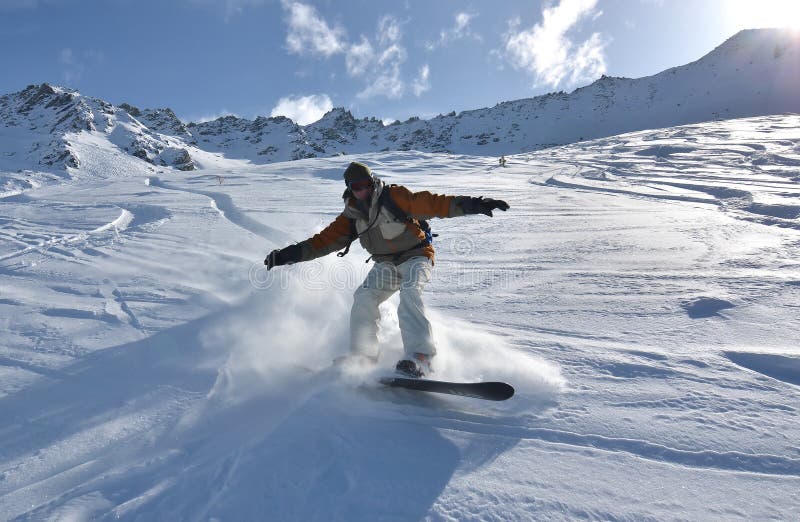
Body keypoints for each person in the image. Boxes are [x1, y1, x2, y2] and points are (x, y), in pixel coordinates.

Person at [265, 161, 509, 378]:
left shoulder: (394, 197)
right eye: (356, 187)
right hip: (386, 263)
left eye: (365, 185)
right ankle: (363, 356)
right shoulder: (351, 217)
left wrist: (473, 204)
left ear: (372, 182)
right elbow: (322, 242)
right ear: (350, 189)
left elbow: (433, 203)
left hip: (417, 255)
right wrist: (288, 255)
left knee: (411, 291)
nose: (362, 191)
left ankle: (420, 358)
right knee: (363, 298)